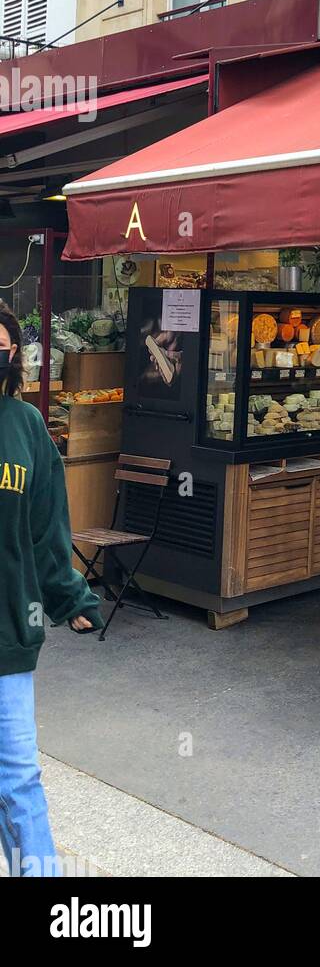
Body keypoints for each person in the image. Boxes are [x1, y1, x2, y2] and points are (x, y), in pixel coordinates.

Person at [0, 308, 103, 877]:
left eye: (5, 347)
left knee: (17, 777)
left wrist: (70, 599)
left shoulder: (27, 427)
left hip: (8, 630)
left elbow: (47, 528)